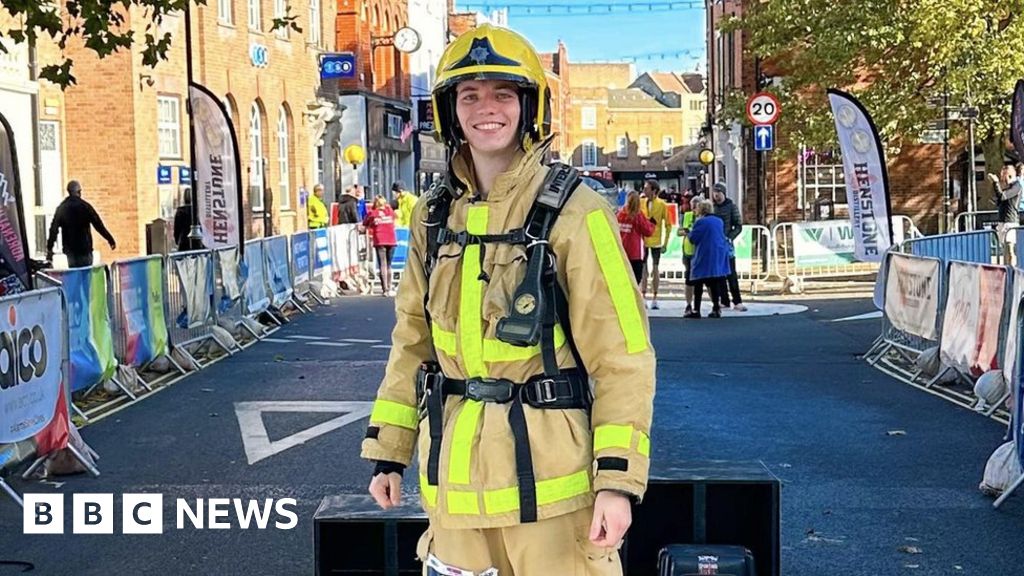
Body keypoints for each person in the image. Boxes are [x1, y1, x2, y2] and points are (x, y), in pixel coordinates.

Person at [362, 24, 655, 576]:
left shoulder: (577, 210)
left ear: (528, 105)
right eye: (469, 96)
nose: (486, 109)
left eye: (502, 93)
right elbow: (411, 344)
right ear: (451, 111)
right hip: (453, 489)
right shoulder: (431, 216)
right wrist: (389, 451)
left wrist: (616, 481)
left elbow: (623, 356)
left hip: (552, 496)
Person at [46, 180, 116, 268]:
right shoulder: (85, 207)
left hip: (70, 251)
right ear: (79, 192)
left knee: (75, 276)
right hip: (85, 249)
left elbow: (53, 229)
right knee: (86, 276)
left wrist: (50, 248)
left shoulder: (62, 208)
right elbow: (98, 225)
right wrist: (110, 239)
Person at [685, 199, 731, 319]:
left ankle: (696, 310)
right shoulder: (719, 221)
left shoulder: (700, 222)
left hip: (704, 254)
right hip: (718, 253)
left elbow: (694, 239)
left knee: (698, 282)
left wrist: (688, 233)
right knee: (713, 282)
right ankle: (716, 308)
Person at [711, 182, 747, 312]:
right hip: (715, 245)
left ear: (724, 193)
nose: (716, 196)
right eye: (715, 193)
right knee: (719, 274)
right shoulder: (712, 207)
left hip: (727, 245)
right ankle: (724, 300)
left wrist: (729, 237)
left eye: (719, 193)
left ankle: (737, 301)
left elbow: (738, 225)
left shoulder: (732, 207)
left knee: (731, 273)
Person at [639, 179, 670, 309]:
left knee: (655, 268)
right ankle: (644, 296)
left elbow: (668, 225)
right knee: (644, 268)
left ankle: (655, 297)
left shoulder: (662, 205)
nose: (644, 190)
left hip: (656, 240)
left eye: (647, 188)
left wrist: (665, 243)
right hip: (643, 240)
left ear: (654, 191)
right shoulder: (641, 203)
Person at [362, 194, 398, 296]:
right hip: (391, 239)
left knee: (382, 264)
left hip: (380, 240)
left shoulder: (372, 213)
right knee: (389, 265)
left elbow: (365, 224)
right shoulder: (390, 212)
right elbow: (395, 218)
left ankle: (385, 289)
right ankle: (390, 287)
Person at [618, 190, 655, 283]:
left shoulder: (620, 214)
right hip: (635, 254)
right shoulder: (638, 215)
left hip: (622, 252)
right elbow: (648, 231)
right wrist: (652, 224)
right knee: (635, 281)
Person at [677, 196, 698, 315]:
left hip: (699, 253)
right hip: (688, 252)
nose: (694, 209)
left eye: (696, 206)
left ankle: (715, 304)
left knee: (707, 280)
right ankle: (688, 304)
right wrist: (685, 231)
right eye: (692, 206)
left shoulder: (703, 218)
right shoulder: (687, 216)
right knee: (688, 280)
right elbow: (679, 232)